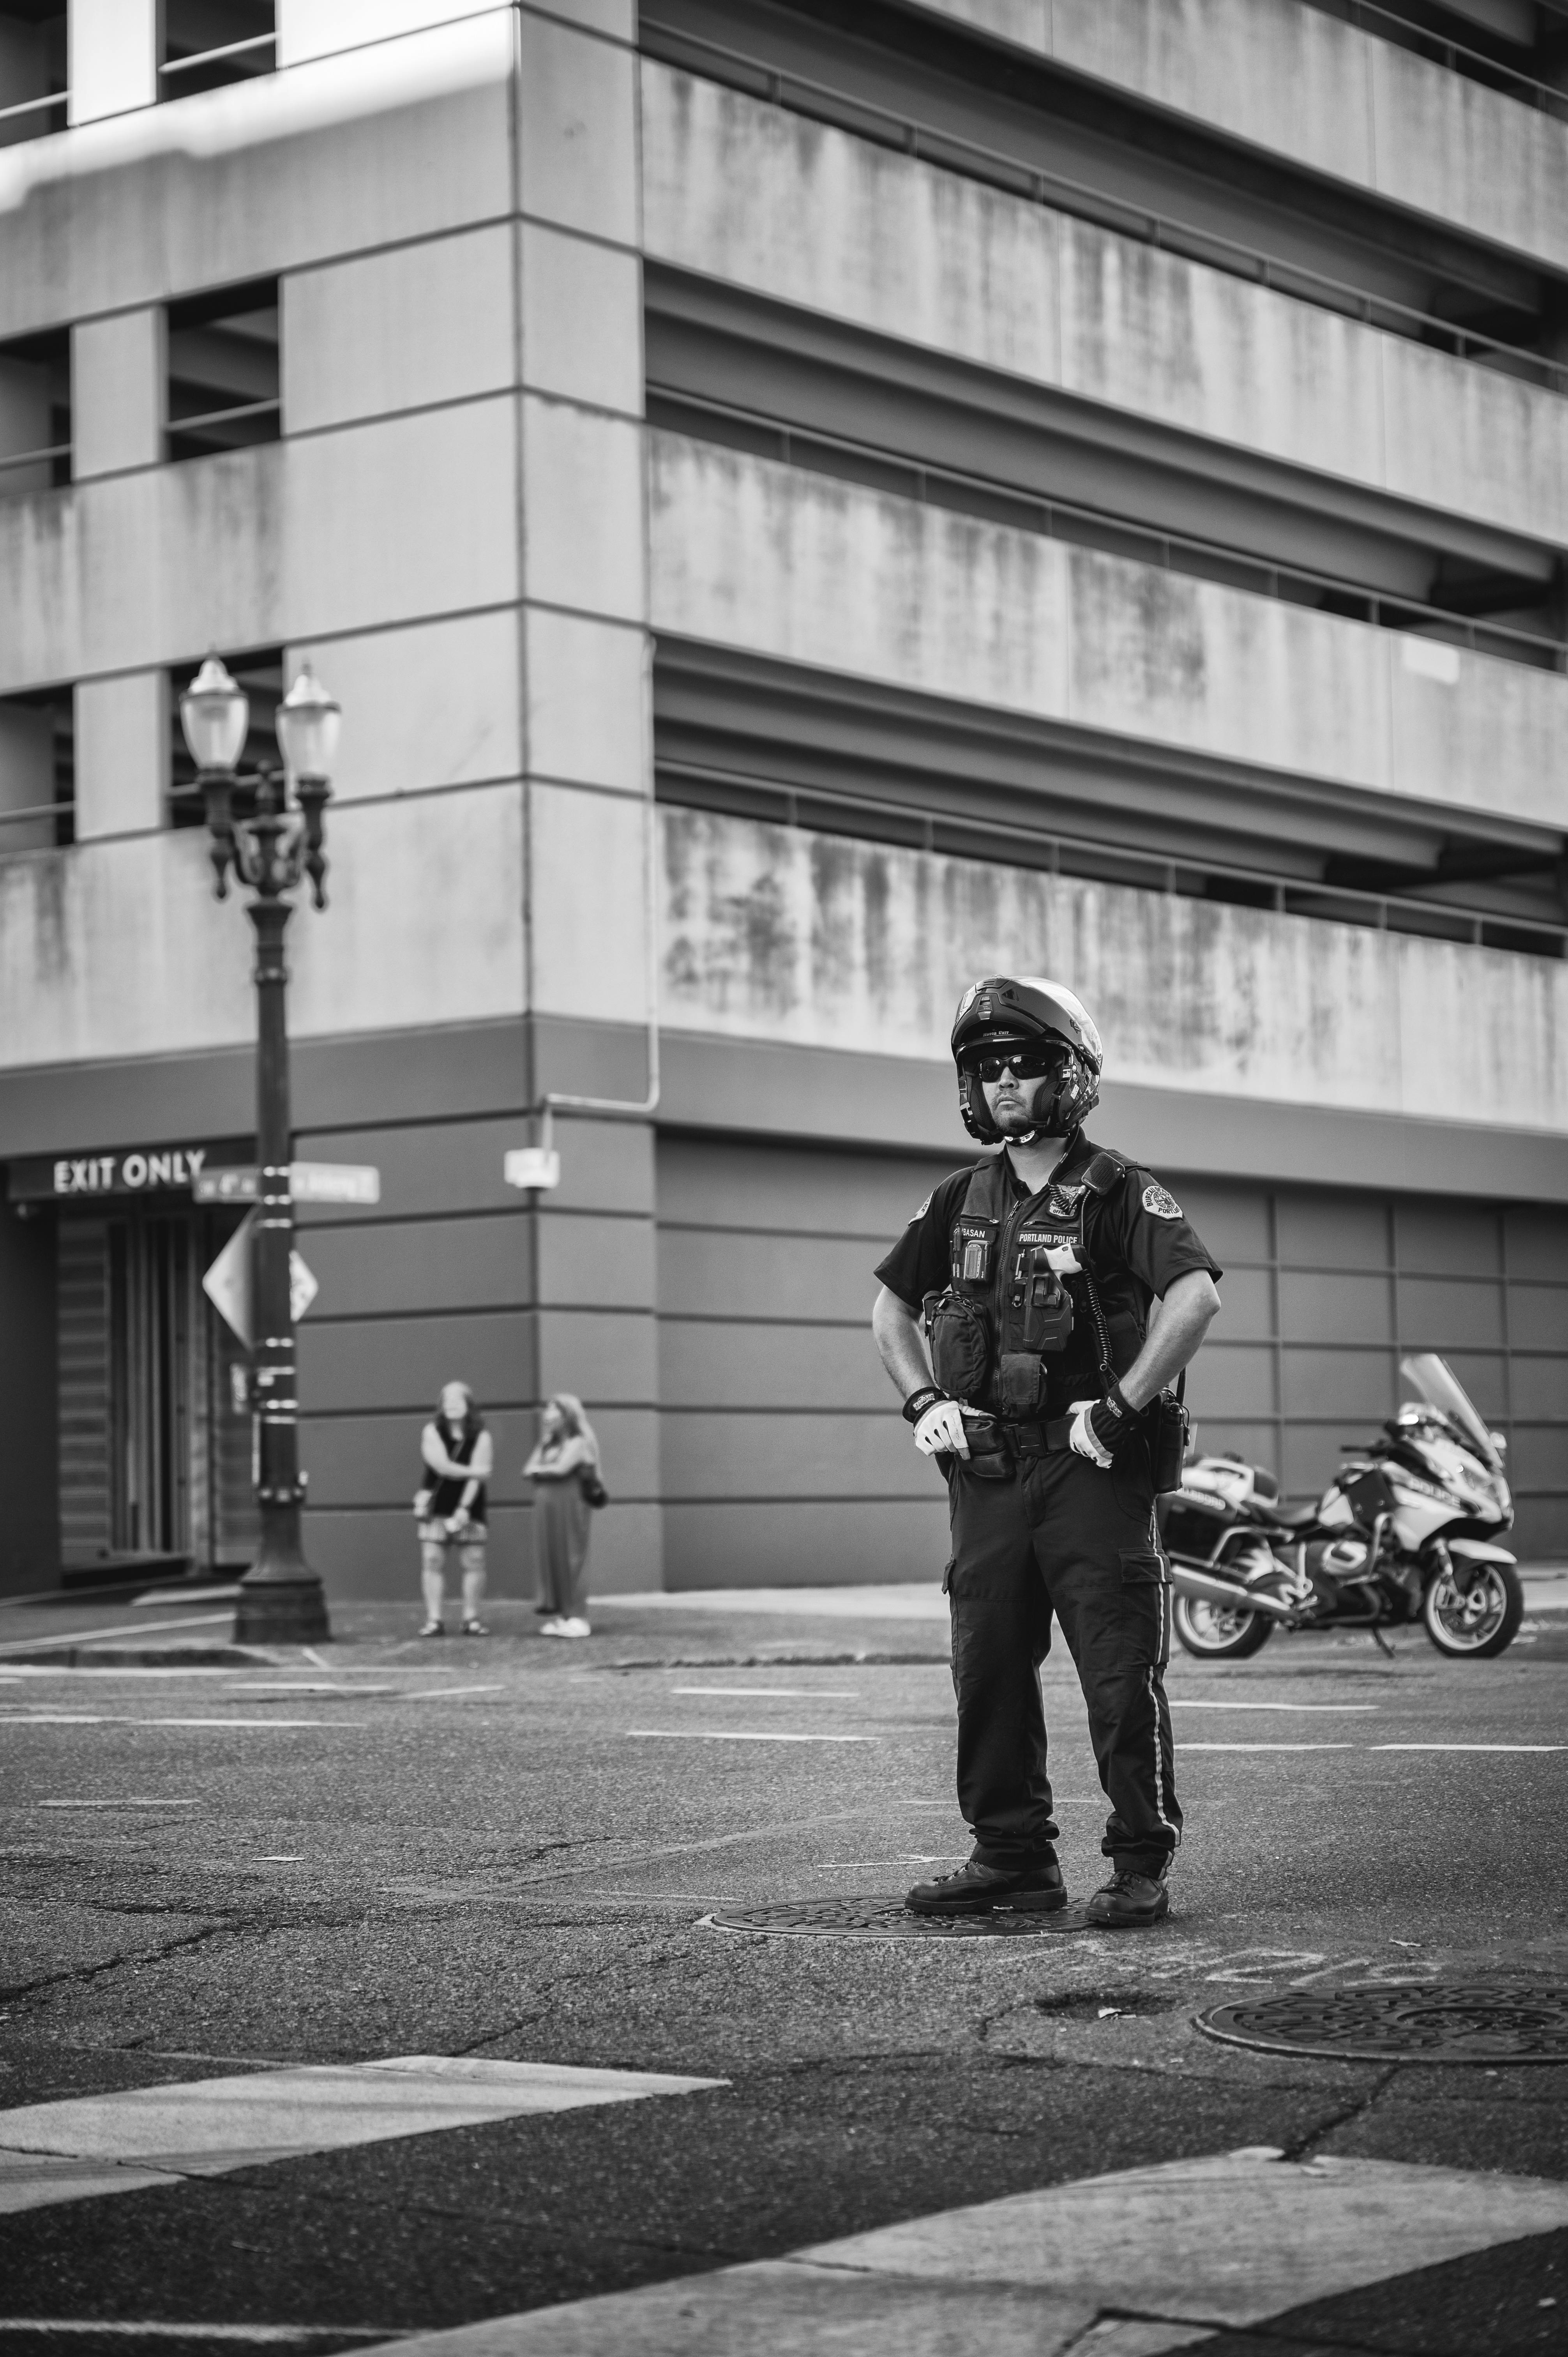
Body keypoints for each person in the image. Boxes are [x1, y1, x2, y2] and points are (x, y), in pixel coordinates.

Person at [871, 977, 1222, 1928]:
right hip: (985, 1471)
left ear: (1068, 1077)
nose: (1003, 1086)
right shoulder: (957, 1198)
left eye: (1024, 1067)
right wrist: (921, 1402)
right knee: (984, 1669)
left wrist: (1118, 1407)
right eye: (985, 1071)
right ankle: (1010, 1859)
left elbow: (1192, 1297)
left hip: (1091, 1472)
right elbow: (888, 1310)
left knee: (1116, 1674)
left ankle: (1138, 1861)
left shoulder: (1117, 1190)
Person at [416, 1382, 494, 1637]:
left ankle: (471, 1618)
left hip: (469, 1504)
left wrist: (464, 1507)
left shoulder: (482, 1436)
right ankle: (434, 1619)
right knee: (432, 1559)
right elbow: (442, 1467)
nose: (451, 1404)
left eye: (457, 1400)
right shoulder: (432, 1431)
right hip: (438, 1503)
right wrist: (476, 1471)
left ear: (469, 1405)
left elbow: (477, 1480)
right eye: (446, 1400)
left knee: (474, 1560)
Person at [523, 1393, 601, 1638]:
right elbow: (529, 1469)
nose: (546, 1416)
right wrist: (542, 1470)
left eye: (552, 1411)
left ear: (566, 1416)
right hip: (547, 1507)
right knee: (553, 1557)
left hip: (571, 1505)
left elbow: (561, 1469)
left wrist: (541, 1470)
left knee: (572, 1557)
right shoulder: (548, 1442)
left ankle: (578, 1616)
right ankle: (563, 1616)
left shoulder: (578, 1442)